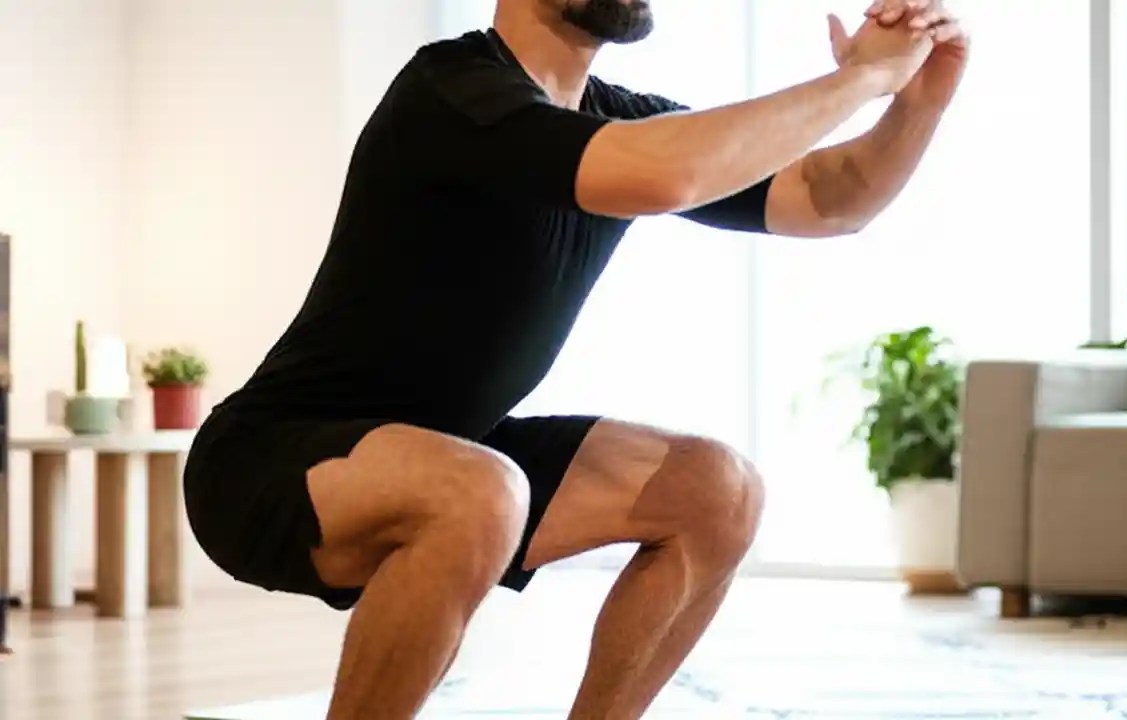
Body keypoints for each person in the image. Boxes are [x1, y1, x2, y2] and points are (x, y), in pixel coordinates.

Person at [183, 0, 968, 717]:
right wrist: (860, 78)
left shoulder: (620, 121)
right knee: (481, 491)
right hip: (267, 462)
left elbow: (834, 201)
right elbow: (665, 173)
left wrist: (918, 99)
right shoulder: (452, 89)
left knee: (717, 490)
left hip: (461, 458)